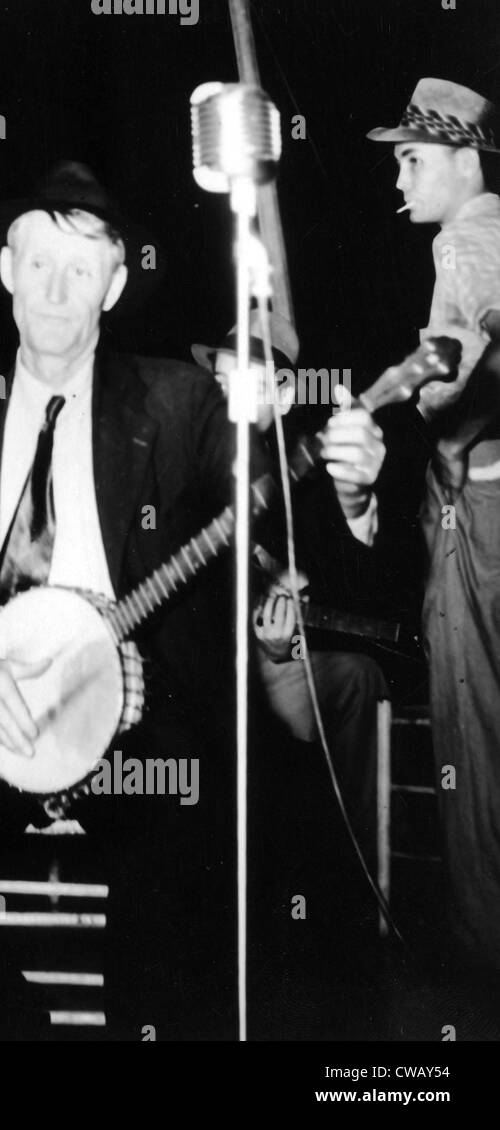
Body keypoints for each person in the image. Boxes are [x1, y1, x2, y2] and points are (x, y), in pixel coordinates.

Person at [0, 162, 248, 1039]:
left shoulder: (183, 404)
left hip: (137, 730)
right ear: (6, 270)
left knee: (187, 848)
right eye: (38, 263)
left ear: (114, 285)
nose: (55, 289)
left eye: (82, 269)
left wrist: (346, 493)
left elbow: (254, 546)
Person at [368, 78, 500, 977]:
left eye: (413, 159)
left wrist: (399, 390)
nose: (400, 180)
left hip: (478, 513)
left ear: (466, 159)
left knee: (474, 725)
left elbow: (454, 367)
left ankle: (484, 948)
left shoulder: (466, 237)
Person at [191, 311, 391, 861]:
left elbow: (355, 586)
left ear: (281, 397)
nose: (224, 396)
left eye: (244, 383)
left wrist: (285, 646)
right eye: (219, 380)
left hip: (265, 663)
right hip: (189, 670)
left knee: (356, 677)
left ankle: (355, 868)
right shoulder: (187, 446)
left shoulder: (304, 473)